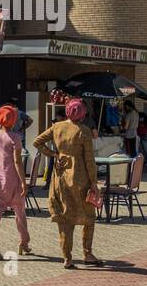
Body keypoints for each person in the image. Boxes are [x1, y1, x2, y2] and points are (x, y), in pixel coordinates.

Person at [33, 97, 102, 269]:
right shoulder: (84, 130)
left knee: (65, 218)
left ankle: (67, 258)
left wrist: (54, 154)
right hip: (80, 178)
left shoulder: (57, 127)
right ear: (83, 113)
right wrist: (94, 182)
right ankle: (87, 253)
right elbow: (89, 159)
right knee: (89, 217)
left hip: (60, 177)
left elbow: (37, 142)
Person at [0, 105, 30, 261]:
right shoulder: (16, 138)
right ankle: (24, 242)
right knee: (20, 211)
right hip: (12, 180)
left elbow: (0, 130)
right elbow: (18, 161)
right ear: (14, 121)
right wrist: (24, 182)